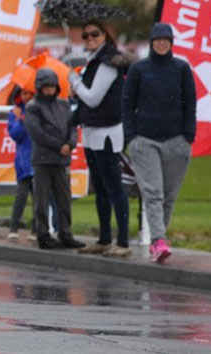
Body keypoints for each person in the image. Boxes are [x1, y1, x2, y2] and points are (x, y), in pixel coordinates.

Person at [123, 22, 196, 264]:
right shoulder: (139, 70)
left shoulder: (182, 69)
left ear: (171, 42)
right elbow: (127, 104)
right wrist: (131, 136)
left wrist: (188, 136)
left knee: (168, 195)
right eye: (158, 40)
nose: (162, 43)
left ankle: (159, 239)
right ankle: (158, 239)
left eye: (166, 40)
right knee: (152, 192)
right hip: (144, 140)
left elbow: (190, 104)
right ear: (152, 42)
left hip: (177, 141)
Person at [69, 20, 134, 257]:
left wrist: (74, 81)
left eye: (94, 34)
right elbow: (87, 100)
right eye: (85, 35)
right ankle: (105, 238)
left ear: (105, 35)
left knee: (114, 186)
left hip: (106, 131)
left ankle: (124, 242)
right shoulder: (94, 62)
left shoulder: (107, 62)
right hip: (92, 131)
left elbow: (93, 98)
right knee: (101, 187)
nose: (89, 38)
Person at [23, 69, 84, 250]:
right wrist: (60, 146)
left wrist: (71, 144)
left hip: (61, 160)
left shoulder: (63, 105)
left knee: (64, 198)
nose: (49, 90)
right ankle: (43, 234)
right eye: (46, 87)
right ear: (39, 87)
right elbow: (37, 133)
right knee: (41, 198)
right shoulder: (33, 106)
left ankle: (65, 233)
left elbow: (72, 126)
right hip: (43, 159)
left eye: (52, 87)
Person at [7, 86, 36, 239]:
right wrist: (21, 121)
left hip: (39, 159)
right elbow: (15, 134)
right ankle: (14, 227)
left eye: (31, 93)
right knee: (21, 195)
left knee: (39, 196)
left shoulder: (40, 110)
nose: (27, 96)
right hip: (24, 161)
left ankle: (36, 229)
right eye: (24, 93)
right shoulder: (15, 113)